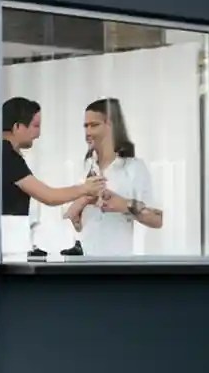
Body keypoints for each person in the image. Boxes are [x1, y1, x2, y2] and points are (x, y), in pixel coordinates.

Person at [64, 97, 163, 256]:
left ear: (110, 126)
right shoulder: (81, 168)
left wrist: (126, 205)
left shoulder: (134, 168)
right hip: (82, 266)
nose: (88, 132)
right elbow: (70, 220)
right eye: (85, 126)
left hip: (118, 266)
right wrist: (83, 202)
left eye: (94, 125)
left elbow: (158, 219)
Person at [1, 96, 105, 218]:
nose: (38, 134)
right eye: (35, 126)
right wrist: (86, 188)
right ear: (17, 127)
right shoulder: (7, 156)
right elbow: (49, 196)